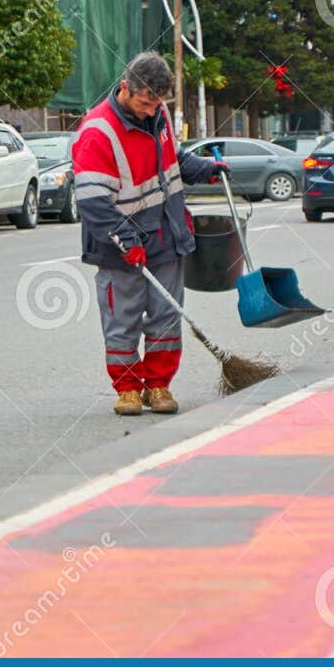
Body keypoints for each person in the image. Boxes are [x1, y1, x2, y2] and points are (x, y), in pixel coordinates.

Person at [71, 52, 226, 416]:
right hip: (119, 246)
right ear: (125, 88)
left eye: (157, 103)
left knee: (165, 318)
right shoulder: (97, 132)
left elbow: (172, 159)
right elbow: (93, 203)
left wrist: (205, 169)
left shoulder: (159, 115)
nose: (150, 110)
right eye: (144, 102)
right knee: (122, 318)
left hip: (166, 237)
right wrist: (127, 242)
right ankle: (127, 388)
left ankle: (158, 386)